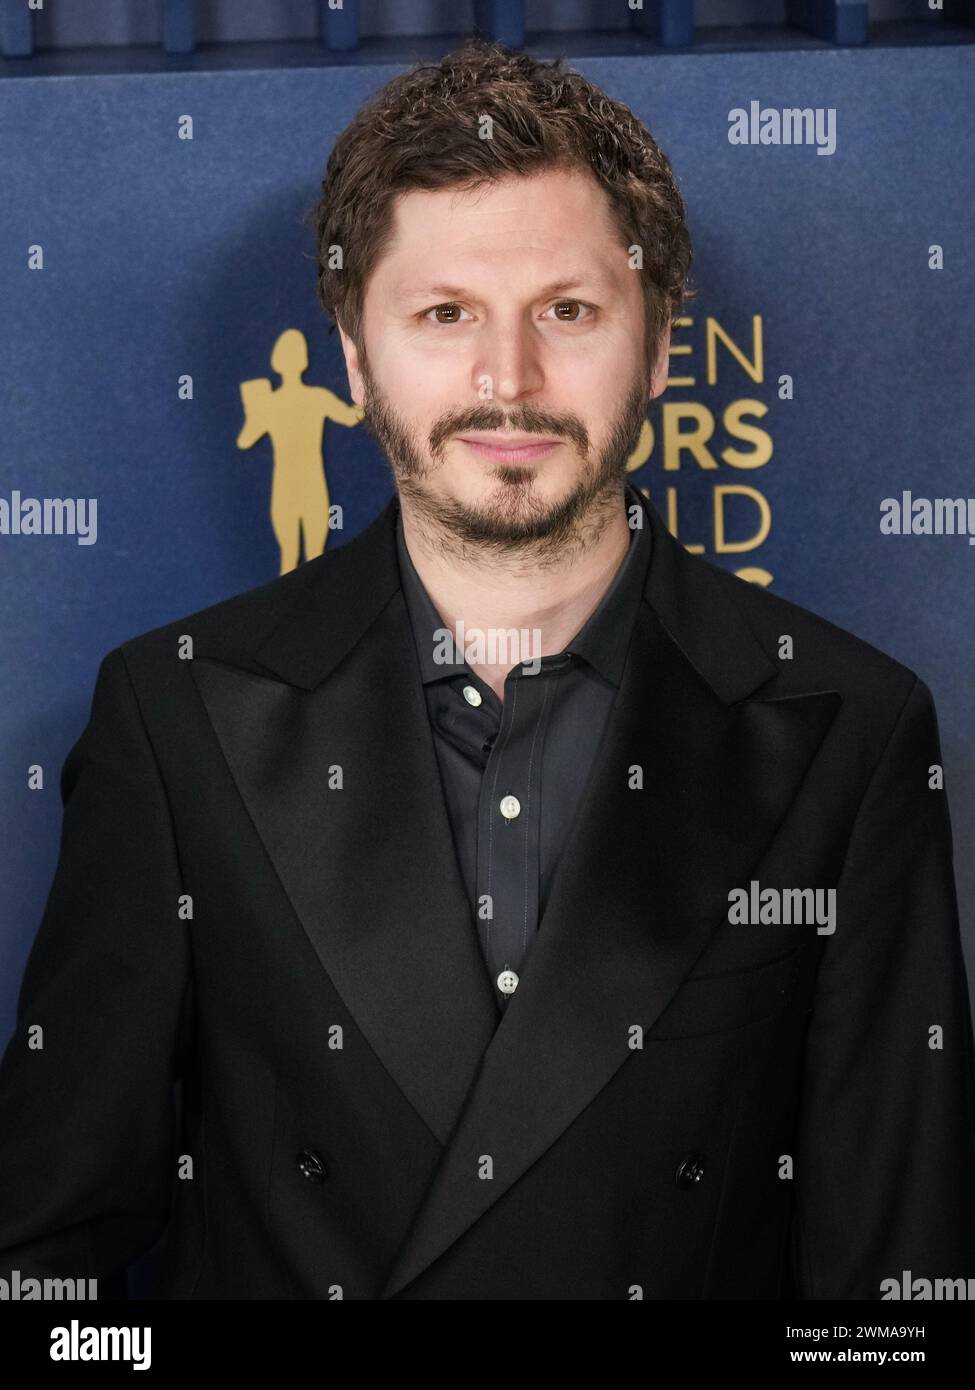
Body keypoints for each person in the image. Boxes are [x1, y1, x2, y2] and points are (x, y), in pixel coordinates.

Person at [1, 37, 973, 1301]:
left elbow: (893, 1304)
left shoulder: (850, 730)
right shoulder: (176, 716)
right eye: (444, 313)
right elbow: (41, 1268)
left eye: (568, 311)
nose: (507, 381)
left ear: (659, 345)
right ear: (356, 355)